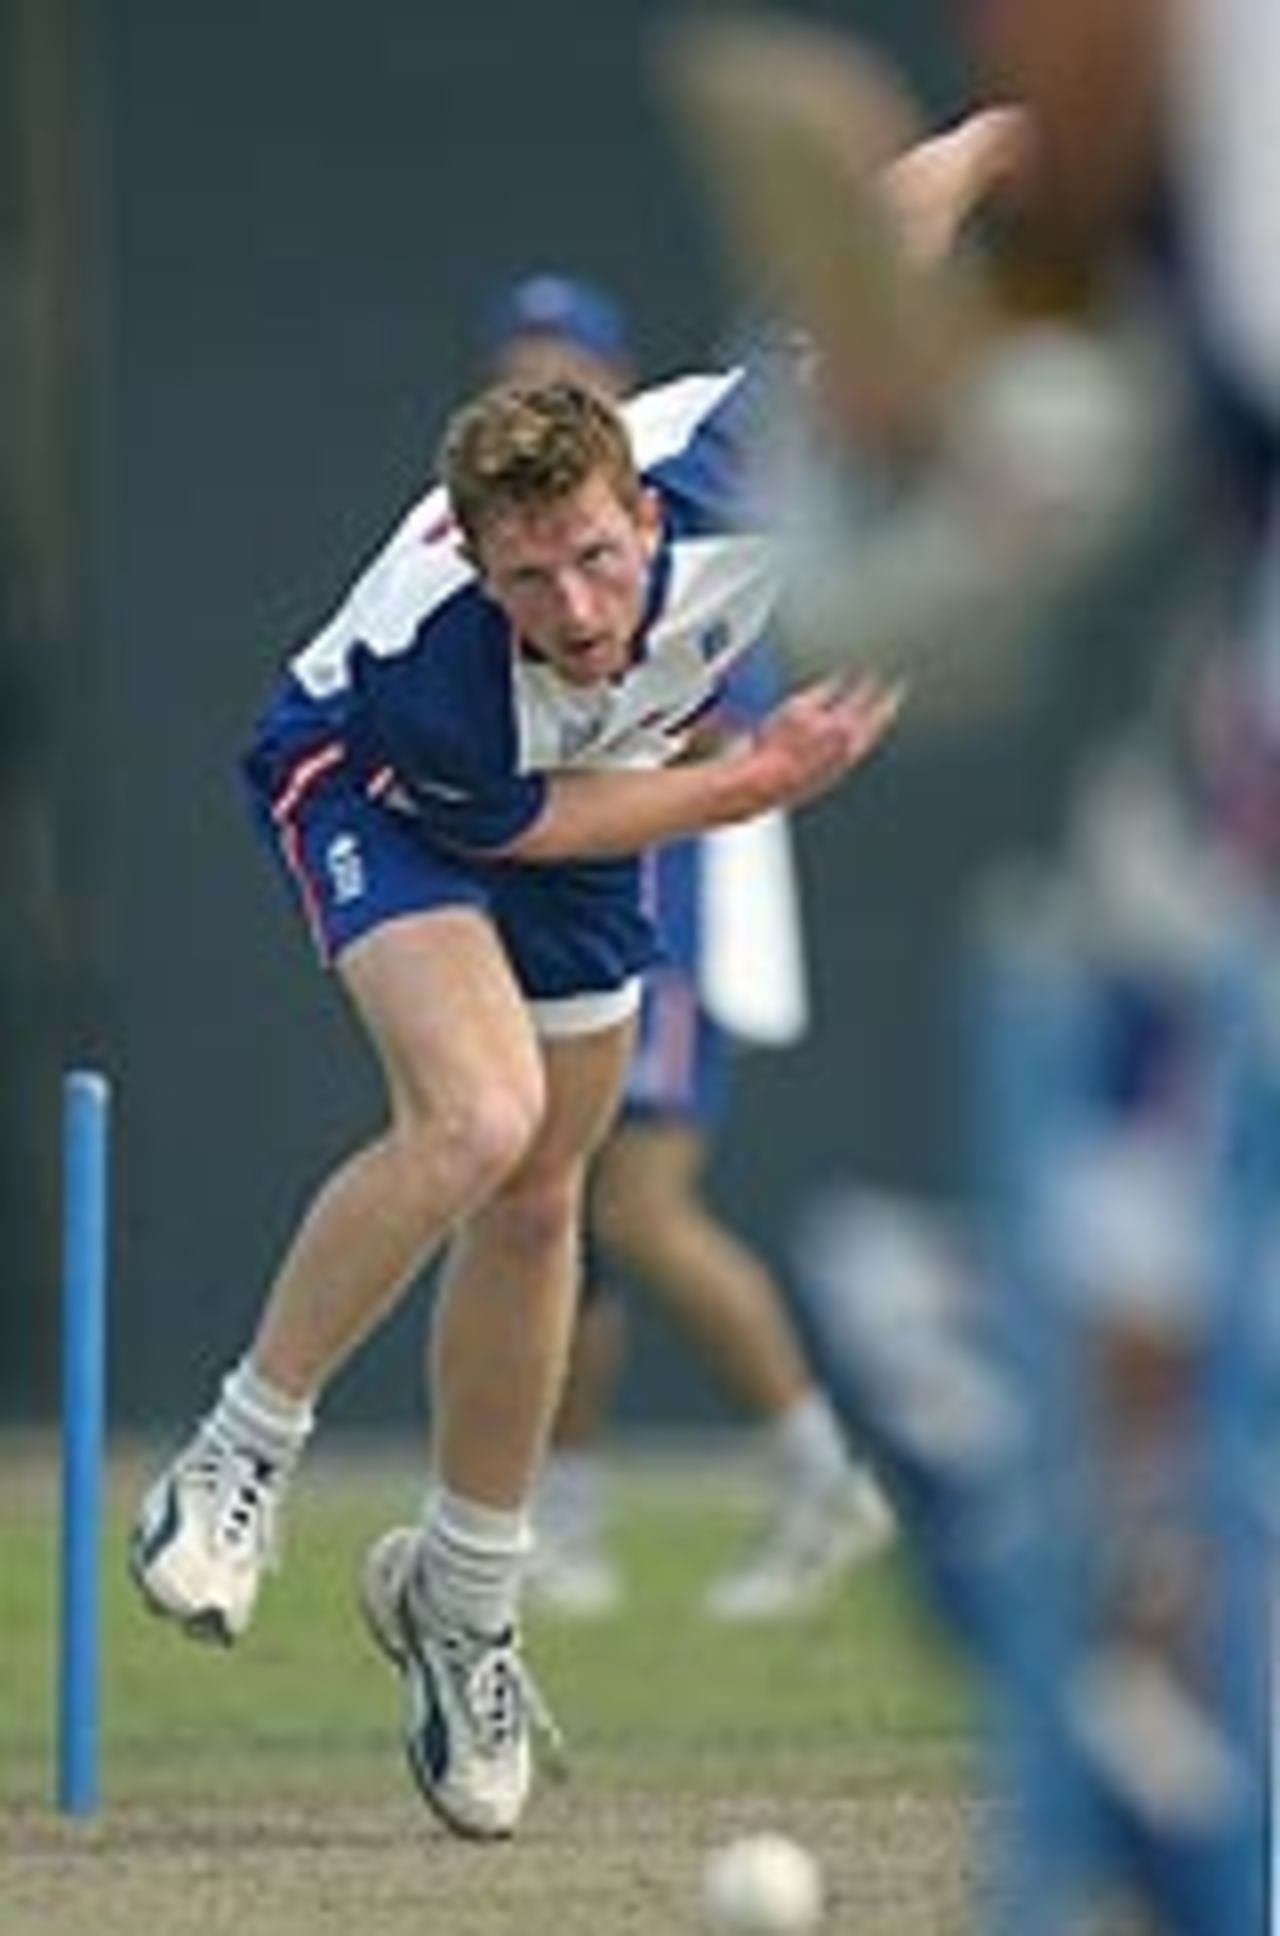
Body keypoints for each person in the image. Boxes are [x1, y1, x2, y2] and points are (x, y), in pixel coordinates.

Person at [128, 111, 1017, 1847]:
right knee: (475, 1119)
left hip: (602, 796)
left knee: (549, 1202)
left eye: (600, 556)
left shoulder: (745, 463)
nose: (583, 602)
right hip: (387, 797)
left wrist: (1002, 137)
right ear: (478, 561)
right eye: (534, 578)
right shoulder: (435, 669)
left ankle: (466, 1601)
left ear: (637, 499)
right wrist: (752, 785)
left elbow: (861, 250)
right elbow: (535, 824)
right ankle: (241, 1449)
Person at [484, 270, 895, 1621]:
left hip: (673, 894)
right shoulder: (504, 556)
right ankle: (567, 1518)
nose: (541, 380)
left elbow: (732, 733)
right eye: (523, 361)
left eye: (567, 360)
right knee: (562, 1205)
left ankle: (822, 1476)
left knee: (639, 1207)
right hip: (582, 892)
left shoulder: (677, 530)